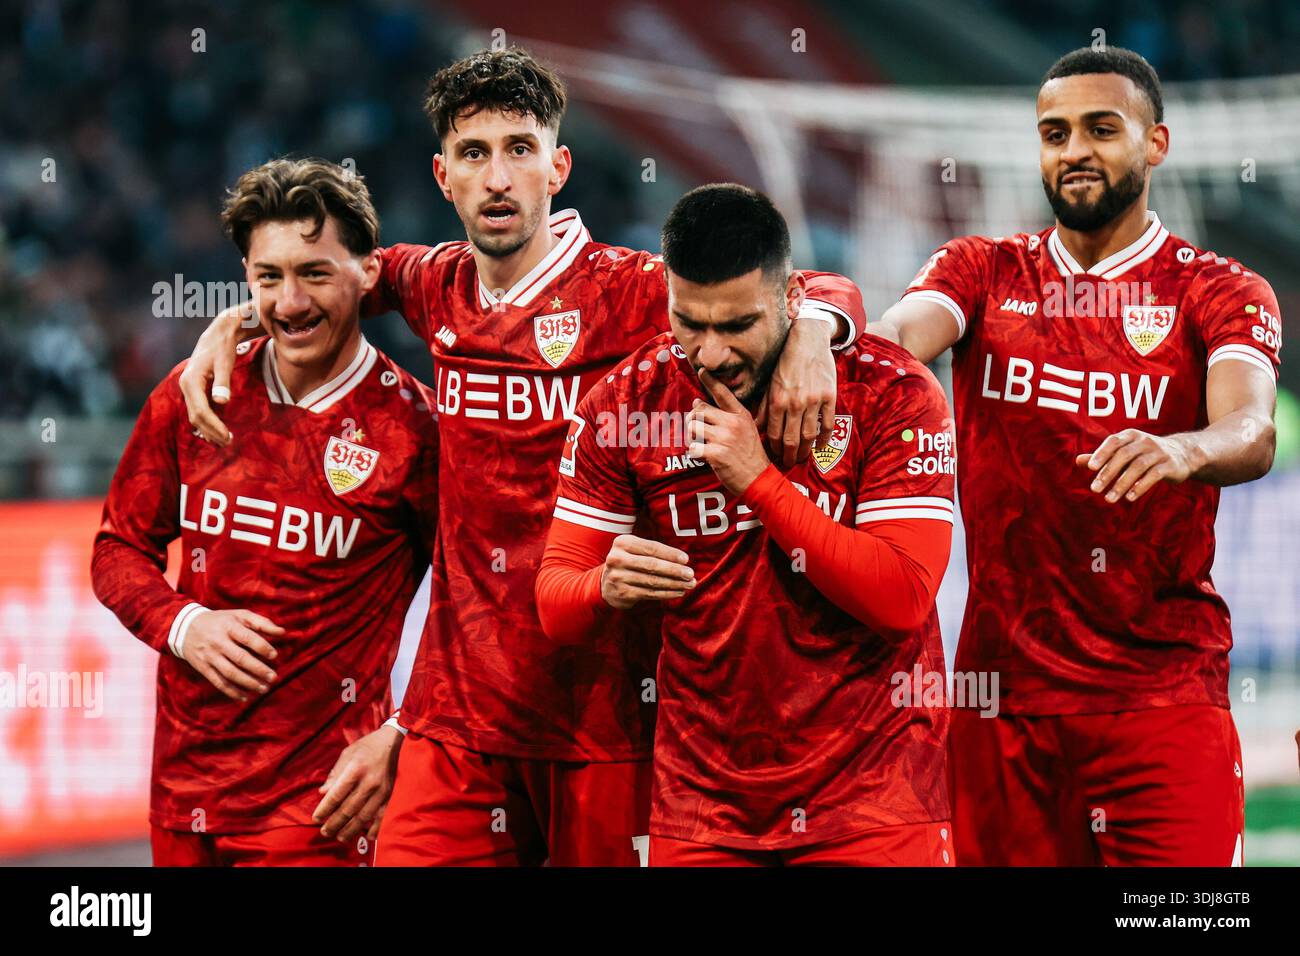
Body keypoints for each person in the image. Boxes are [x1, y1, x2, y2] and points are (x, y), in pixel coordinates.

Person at [176, 48, 861, 866]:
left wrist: (817, 330)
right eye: (474, 153)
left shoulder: (635, 287)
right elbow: (324, 279)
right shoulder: (435, 284)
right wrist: (230, 320)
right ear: (443, 177)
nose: (498, 177)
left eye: (519, 149)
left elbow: (808, 287)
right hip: (459, 715)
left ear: (558, 166)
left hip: (609, 707)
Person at [872, 46, 1281, 866]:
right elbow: (898, 342)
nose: (1074, 151)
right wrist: (827, 332)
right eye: (1054, 133)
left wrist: (1187, 447)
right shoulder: (981, 270)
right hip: (1002, 701)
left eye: (1102, 129)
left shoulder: (1217, 290)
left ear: (1155, 144)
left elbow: (1254, 428)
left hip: (1162, 697)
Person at [536, 184, 957, 865]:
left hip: (875, 801)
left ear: (794, 299)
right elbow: (556, 602)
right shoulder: (628, 403)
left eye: (736, 327)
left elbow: (903, 596)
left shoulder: (892, 392)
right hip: (702, 811)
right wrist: (601, 588)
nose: (709, 354)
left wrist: (758, 483)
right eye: (688, 323)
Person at [92, 158, 438, 865]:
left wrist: (404, 730)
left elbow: (475, 602)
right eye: (268, 277)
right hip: (183, 790)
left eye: (314, 272)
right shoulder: (197, 392)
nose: (288, 302)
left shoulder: (412, 431)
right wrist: (183, 624)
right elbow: (116, 549)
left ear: (367, 273)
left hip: (317, 809)